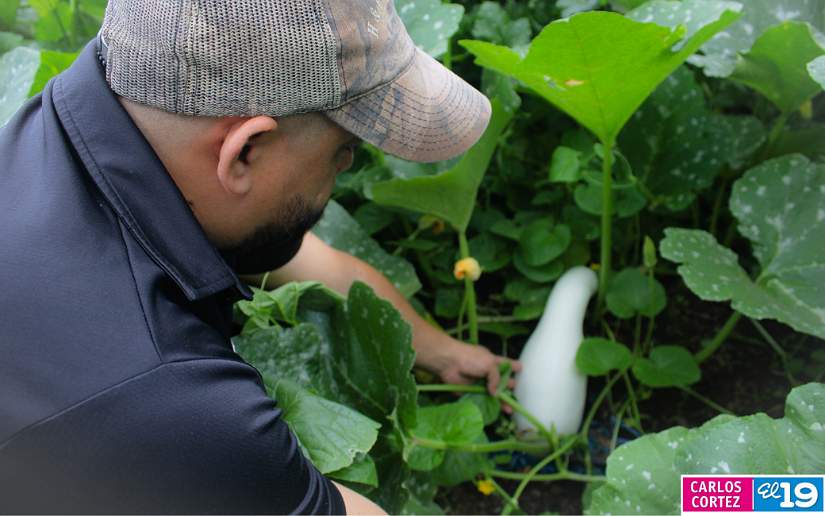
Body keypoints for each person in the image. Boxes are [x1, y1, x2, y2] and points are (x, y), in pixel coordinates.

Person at [0, 0, 518, 513]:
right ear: (245, 150)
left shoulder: (97, 112)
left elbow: (320, 265)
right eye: (344, 152)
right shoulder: (161, 393)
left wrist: (444, 351)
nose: (342, 172)